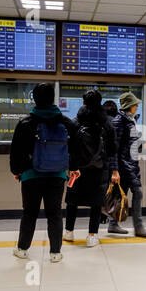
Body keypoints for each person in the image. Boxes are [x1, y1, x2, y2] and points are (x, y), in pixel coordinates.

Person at [8, 82, 89, 262]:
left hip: (31, 175)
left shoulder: (26, 123)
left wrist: (16, 170)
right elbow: (76, 149)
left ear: (35, 99)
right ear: (53, 98)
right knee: (55, 213)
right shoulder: (66, 123)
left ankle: (22, 249)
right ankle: (55, 252)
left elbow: (16, 151)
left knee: (29, 212)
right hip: (57, 176)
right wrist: (74, 168)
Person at [63, 89, 117, 247]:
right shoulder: (106, 123)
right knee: (96, 202)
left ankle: (69, 232)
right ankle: (92, 236)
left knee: (72, 201)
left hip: (77, 170)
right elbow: (113, 149)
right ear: (100, 103)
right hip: (99, 169)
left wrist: (72, 165)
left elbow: (69, 146)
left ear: (83, 102)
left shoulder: (76, 122)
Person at [108, 91, 146, 238]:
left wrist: (143, 145)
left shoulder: (130, 120)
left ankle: (113, 224)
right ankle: (138, 227)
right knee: (138, 192)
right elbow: (113, 149)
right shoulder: (119, 122)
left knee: (120, 195)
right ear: (130, 105)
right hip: (124, 165)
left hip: (131, 163)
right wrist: (115, 170)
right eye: (135, 104)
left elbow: (129, 144)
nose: (137, 106)